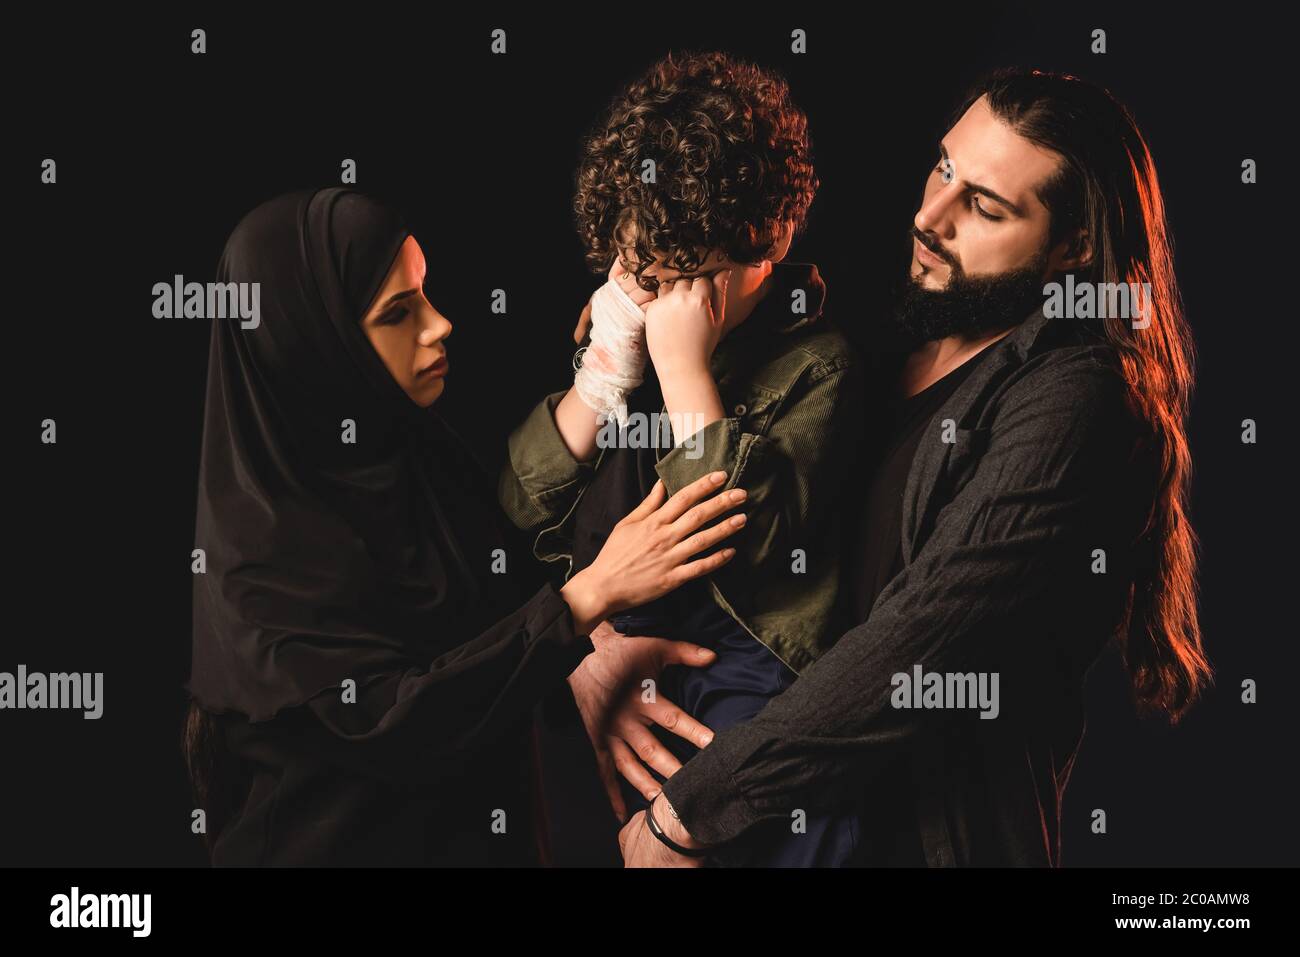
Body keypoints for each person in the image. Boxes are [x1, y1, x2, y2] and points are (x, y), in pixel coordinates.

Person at [619, 68, 1213, 867]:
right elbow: (689, 493)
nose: (930, 216)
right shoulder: (873, 326)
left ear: (1074, 247)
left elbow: (918, 647)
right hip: (753, 826)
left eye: (985, 206)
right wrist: (593, 645)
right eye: (942, 168)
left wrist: (686, 813)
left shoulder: (1081, 400)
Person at [181, 186, 745, 866]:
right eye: (399, 312)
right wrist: (585, 601)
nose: (440, 323)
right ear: (316, 342)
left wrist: (585, 661)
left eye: (425, 293)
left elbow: (495, 576)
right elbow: (396, 723)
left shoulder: (410, 455)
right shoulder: (258, 560)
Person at [498, 51, 868, 865]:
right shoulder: (632, 311)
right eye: (631, 269)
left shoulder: (821, 365)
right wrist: (601, 381)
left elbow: (742, 541)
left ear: (765, 244)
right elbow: (525, 508)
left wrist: (683, 368)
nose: (647, 294)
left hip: (747, 665)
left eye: (678, 279)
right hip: (618, 647)